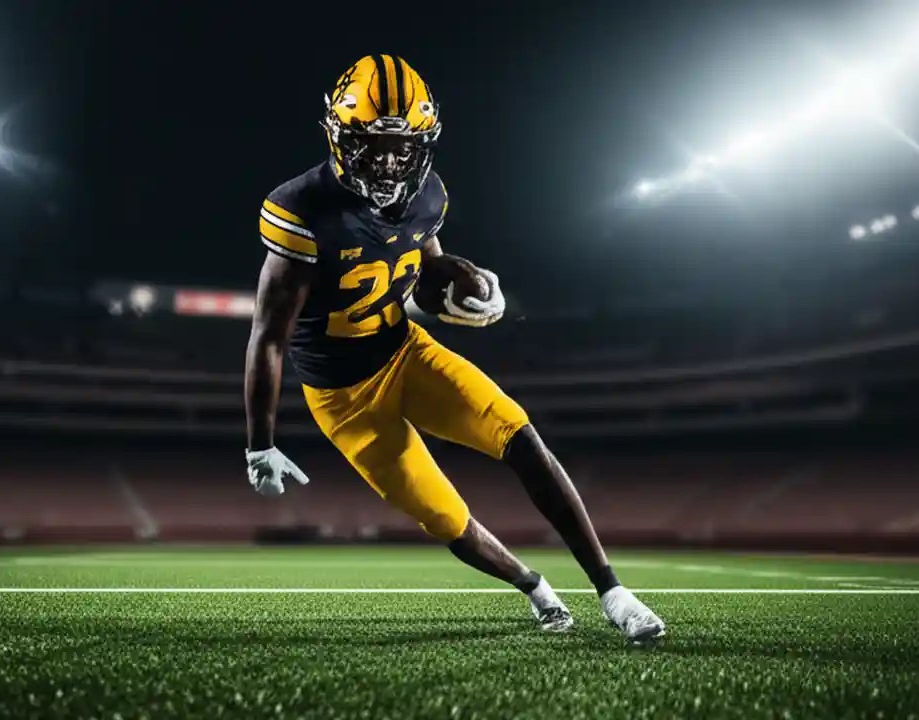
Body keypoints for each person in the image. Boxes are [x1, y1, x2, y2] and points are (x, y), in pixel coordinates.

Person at [243, 54, 665, 643]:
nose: (389, 163)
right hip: (343, 400)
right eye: (373, 145)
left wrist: (467, 287)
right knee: (443, 514)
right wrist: (260, 443)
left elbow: (425, 268)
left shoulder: (428, 196)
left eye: (402, 148)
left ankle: (613, 592)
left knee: (518, 433)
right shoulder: (300, 209)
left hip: (405, 353)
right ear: (339, 136)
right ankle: (534, 586)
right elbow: (268, 335)